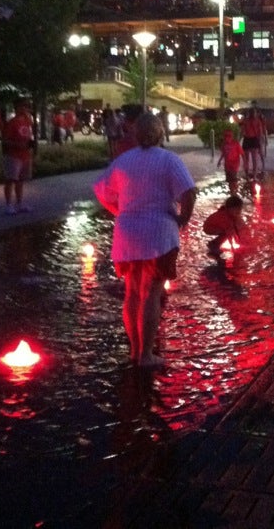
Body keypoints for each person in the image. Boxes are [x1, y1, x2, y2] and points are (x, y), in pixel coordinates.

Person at [93, 112, 197, 368]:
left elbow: (102, 191)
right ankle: (146, 355)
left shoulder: (123, 161)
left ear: (135, 134)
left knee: (132, 292)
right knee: (152, 293)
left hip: (127, 234)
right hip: (159, 234)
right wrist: (183, 219)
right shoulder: (169, 160)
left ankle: (135, 351)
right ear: (160, 133)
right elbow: (189, 192)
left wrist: (120, 211)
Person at [1, 98, 35, 215]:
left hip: (25, 155)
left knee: (20, 181)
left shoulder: (27, 121)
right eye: (23, 106)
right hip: (13, 156)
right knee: (10, 180)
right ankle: (8, 205)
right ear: (17, 108)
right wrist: (17, 145)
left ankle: (19, 203)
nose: (26, 109)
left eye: (27, 106)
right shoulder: (12, 123)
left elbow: (30, 131)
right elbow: (5, 141)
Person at [203, 194, 251, 259]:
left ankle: (214, 244)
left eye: (240, 209)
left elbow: (240, 227)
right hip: (209, 228)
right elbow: (229, 234)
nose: (239, 211)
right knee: (226, 232)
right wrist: (233, 249)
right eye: (237, 209)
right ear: (229, 209)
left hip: (218, 226)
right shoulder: (224, 217)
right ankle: (214, 245)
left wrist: (243, 240)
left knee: (231, 230)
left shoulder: (231, 215)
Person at [240, 106, 267, 180]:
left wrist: (238, 140)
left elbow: (242, 131)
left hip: (247, 139)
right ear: (255, 114)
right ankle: (254, 176)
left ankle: (247, 175)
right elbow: (260, 132)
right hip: (254, 139)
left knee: (246, 159)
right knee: (254, 159)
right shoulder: (257, 121)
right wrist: (262, 141)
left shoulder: (246, 121)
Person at [217, 127, 244, 194]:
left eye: (229, 136)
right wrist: (219, 161)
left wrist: (245, 162)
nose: (227, 138)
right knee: (229, 179)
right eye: (226, 136)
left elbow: (242, 153)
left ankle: (235, 190)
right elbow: (223, 154)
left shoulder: (236, 144)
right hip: (227, 165)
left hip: (235, 164)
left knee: (233, 178)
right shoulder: (224, 145)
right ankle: (232, 191)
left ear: (232, 137)